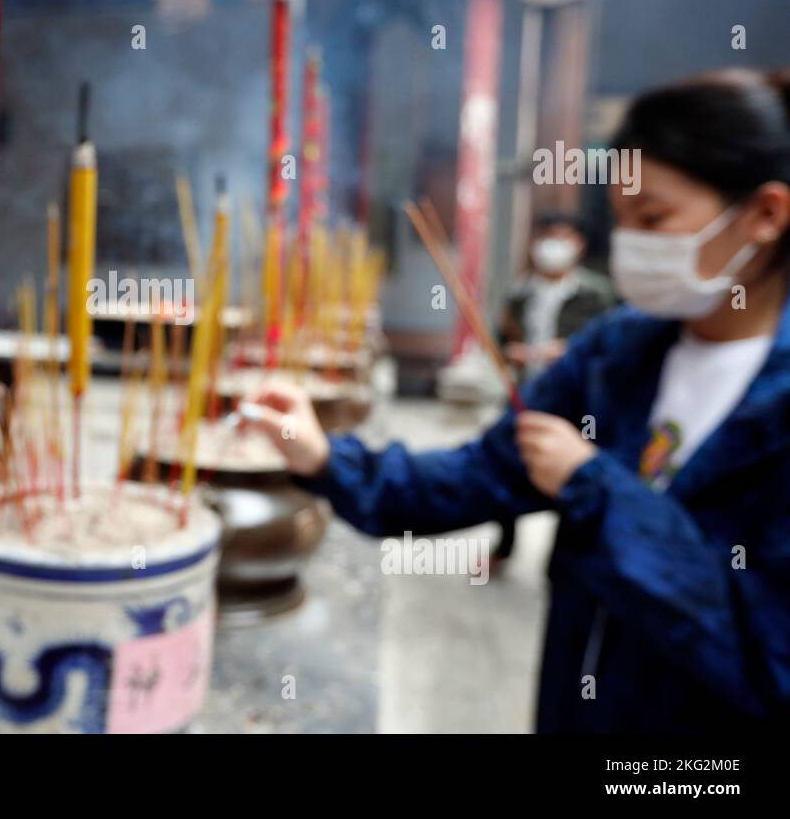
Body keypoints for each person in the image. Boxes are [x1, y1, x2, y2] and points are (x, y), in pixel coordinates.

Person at [244, 69, 790, 732]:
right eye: (622, 220)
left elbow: (766, 657)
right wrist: (325, 456)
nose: (633, 244)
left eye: (655, 218)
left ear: (765, 214)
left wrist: (596, 488)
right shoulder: (617, 355)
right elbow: (476, 477)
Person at [490, 213, 616, 572]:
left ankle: (567, 560)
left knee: (570, 472)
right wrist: (510, 355)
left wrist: (563, 351)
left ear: (579, 246)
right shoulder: (519, 293)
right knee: (507, 465)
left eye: (565, 237)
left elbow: (605, 345)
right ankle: (503, 548)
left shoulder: (595, 294)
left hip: (577, 399)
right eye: (549, 236)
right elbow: (500, 340)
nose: (555, 245)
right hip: (526, 391)